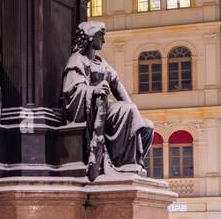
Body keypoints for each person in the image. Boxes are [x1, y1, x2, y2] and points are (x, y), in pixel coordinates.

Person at [62, 20, 154, 179]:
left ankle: (133, 163)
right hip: (90, 110)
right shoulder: (77, 60)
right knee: (128, 111)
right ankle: (122, 163)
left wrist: (134, 111)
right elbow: (71, 91)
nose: (103, 41)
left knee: (147, 126)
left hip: (105, 107)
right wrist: (94, 90)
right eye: (101, 36)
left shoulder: (101, 62)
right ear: (91, 38)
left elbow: (117, 85)